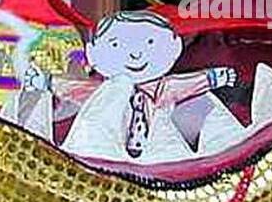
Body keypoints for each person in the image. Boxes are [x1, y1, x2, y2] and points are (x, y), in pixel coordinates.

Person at [24, 11, 236, 159]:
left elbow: (184, 86)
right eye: (116, 45)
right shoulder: (105, 95)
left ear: (173, 47)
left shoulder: (162, 90)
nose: (136, 54)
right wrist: (44, 81)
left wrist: (214, 78)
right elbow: (76, 89)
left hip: (156, 156)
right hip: (108, 156)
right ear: (93, 54)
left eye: (150, 43)